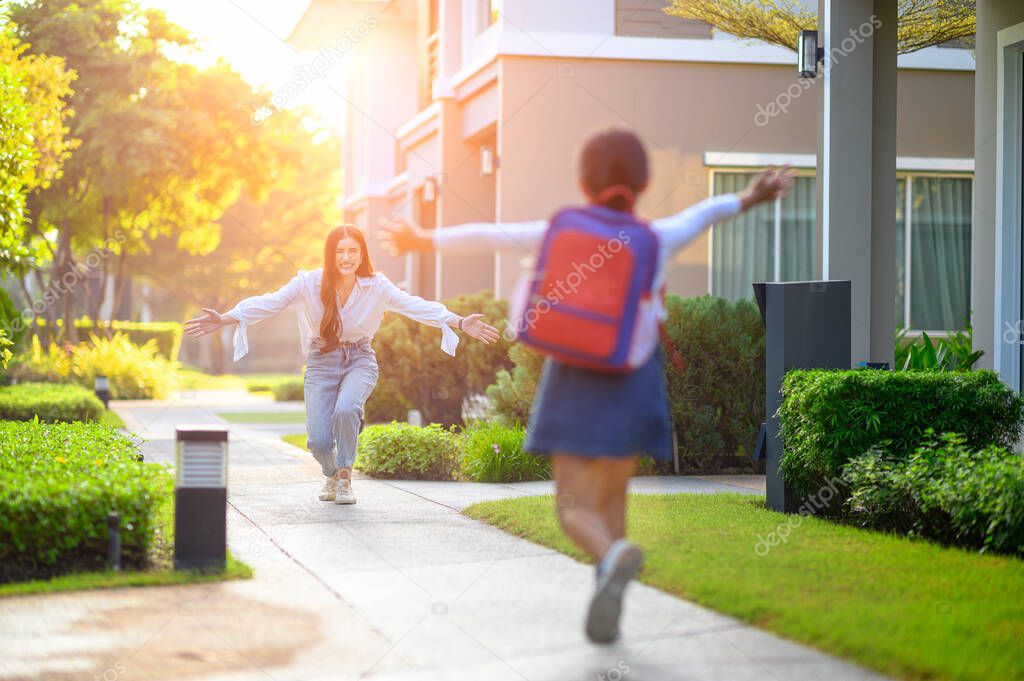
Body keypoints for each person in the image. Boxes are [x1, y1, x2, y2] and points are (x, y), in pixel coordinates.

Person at [379, 128, 793, 642]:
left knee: (572, 506)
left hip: (573, 374)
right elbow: (705, 213)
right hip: (632, 377)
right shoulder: (655, 237)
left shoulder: (561, 226)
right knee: (612, 497)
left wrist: (423, 239)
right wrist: (753, 195)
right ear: (642, 183)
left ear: (583, 179)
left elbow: (493, 233)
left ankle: (614, 559)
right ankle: (611, 584)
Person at [184, 224, 500, 504]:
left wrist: (458, 321)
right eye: (340, 251)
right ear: (330, 255)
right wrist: (226, 318)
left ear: (362, 254)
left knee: (348, 409)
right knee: (318, 440)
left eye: (353, 251)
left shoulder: (377, 286)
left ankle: (346, 477)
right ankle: (332, 473)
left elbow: (415, 306)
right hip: (322, 362)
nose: (346, 257)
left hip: (360, 359)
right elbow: (270, 301)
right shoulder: (308, 283)